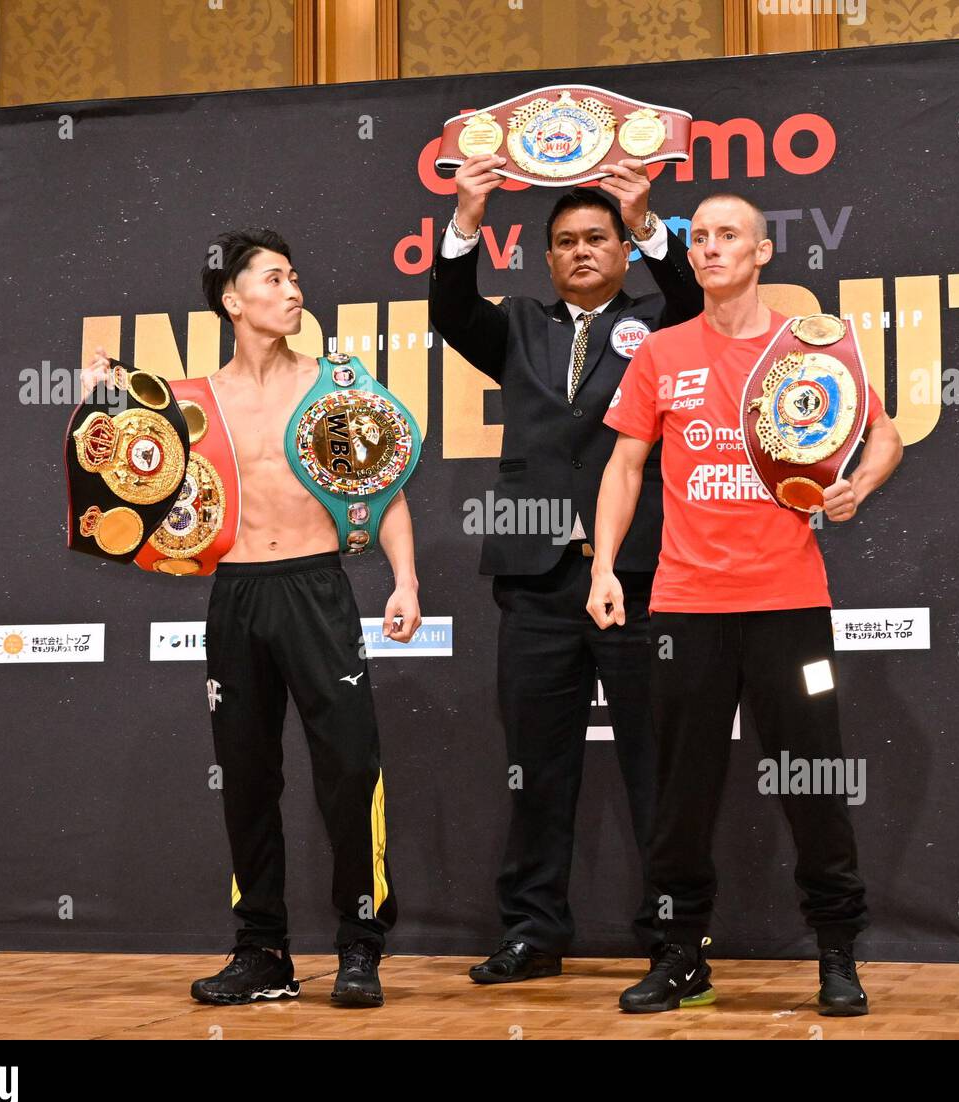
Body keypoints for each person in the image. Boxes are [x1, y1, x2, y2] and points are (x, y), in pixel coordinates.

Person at [80, 229, 421, 1007]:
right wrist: (101, 389)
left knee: (348, 769)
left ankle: (359, 945)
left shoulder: (337, 383)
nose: (294, 289)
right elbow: (117, 468)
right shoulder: (188, 404)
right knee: (247, 779)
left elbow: (387, 486)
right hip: (235, 595)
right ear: (233, 299)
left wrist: (404, 580)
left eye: (296, 276)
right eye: (274, 278)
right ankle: (261, 949)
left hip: (315, 588)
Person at [589, 194, 904, 1015]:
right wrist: (605, 568)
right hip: (688, 606)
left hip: (788, 602)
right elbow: (625, 467)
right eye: (701, 239)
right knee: (680, 790)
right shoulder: (661, 352)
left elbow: (885, 434)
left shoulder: (806, 350)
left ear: (763, 252)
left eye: (731, 236)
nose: (711, 249)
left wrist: (855, 490)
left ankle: (838, 954)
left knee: (812, 780)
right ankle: (682, 956)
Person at [429, 155, 703, 983]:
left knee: (655, 766)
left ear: (623, 252)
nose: (582, 250)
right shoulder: (515, 325)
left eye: (598, 238)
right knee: (537, 767)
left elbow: (692, 296)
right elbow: (448, 308)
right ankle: (532, 931)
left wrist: (651, 217)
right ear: (545, 258)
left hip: (642, 575)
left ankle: (672, 937)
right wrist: (467, 217)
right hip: (539, 582)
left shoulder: (665, 325)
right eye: (565, 242)